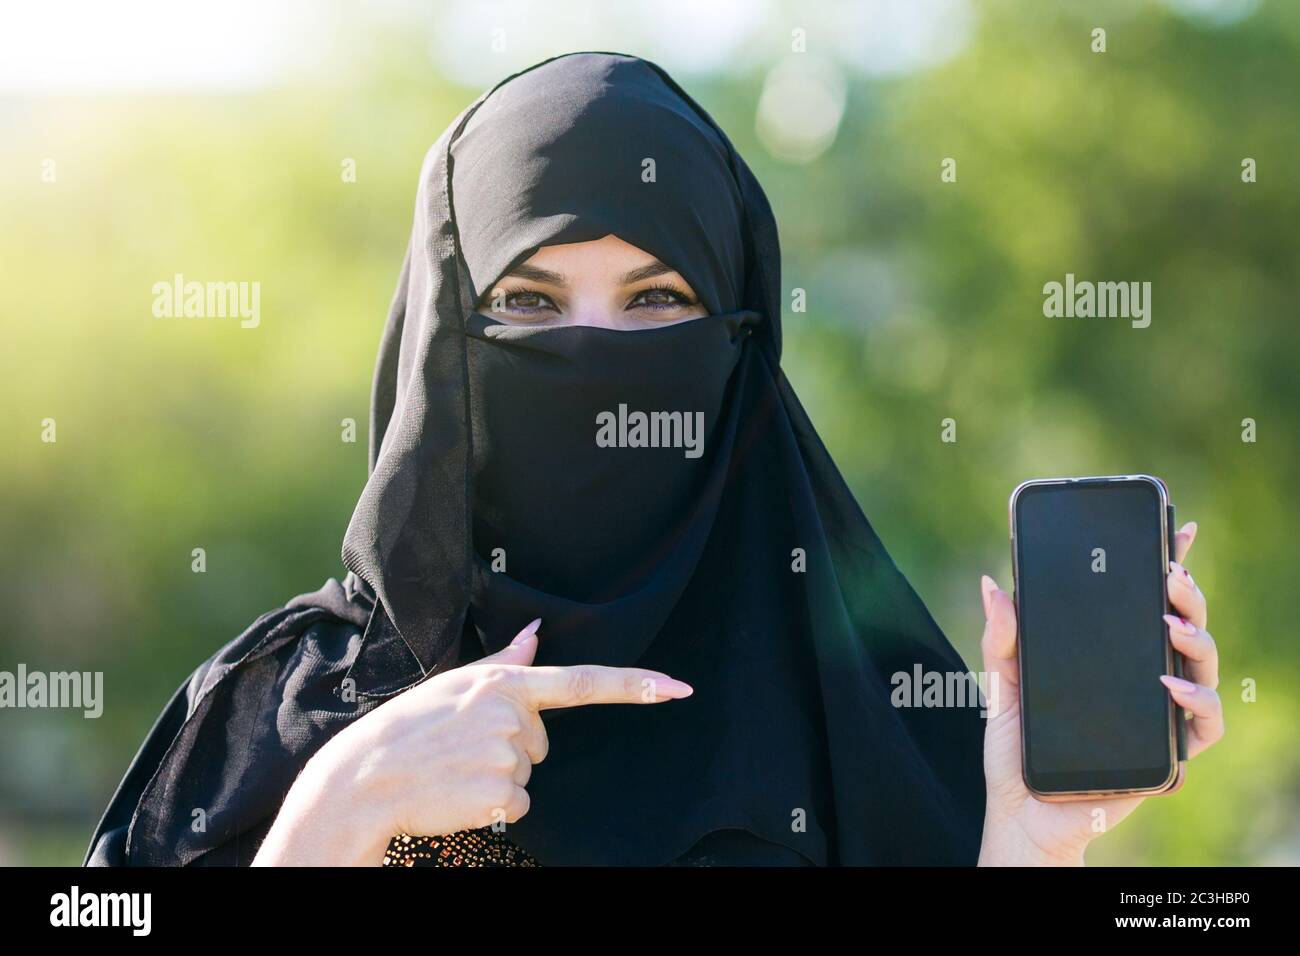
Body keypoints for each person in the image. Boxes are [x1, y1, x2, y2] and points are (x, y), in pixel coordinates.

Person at [84, 51, 1223, 868]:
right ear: (446, 343)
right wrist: (330, 822)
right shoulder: (284, 717)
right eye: (528, 302)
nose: (596, 357)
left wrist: (1029, 840)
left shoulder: (870, 722)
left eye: (659, 300)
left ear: (738, 346)